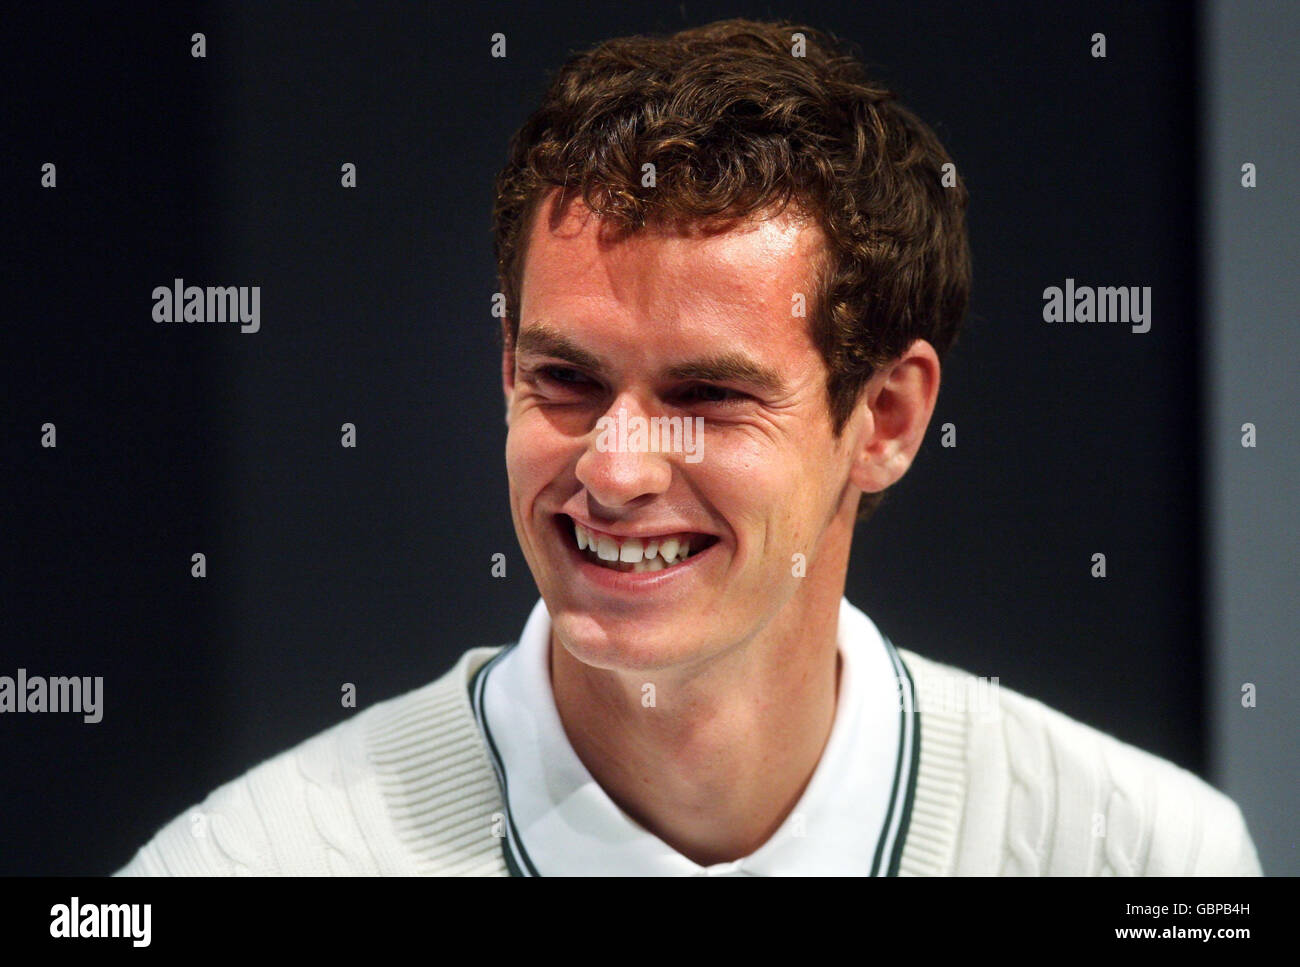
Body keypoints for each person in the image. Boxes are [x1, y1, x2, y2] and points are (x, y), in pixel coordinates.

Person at [116, 18, 1262, 876]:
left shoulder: (1150, 861)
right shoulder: (239, 866)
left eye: (709, 395)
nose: (614, 469)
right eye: (563, 378)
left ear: (888, 419)